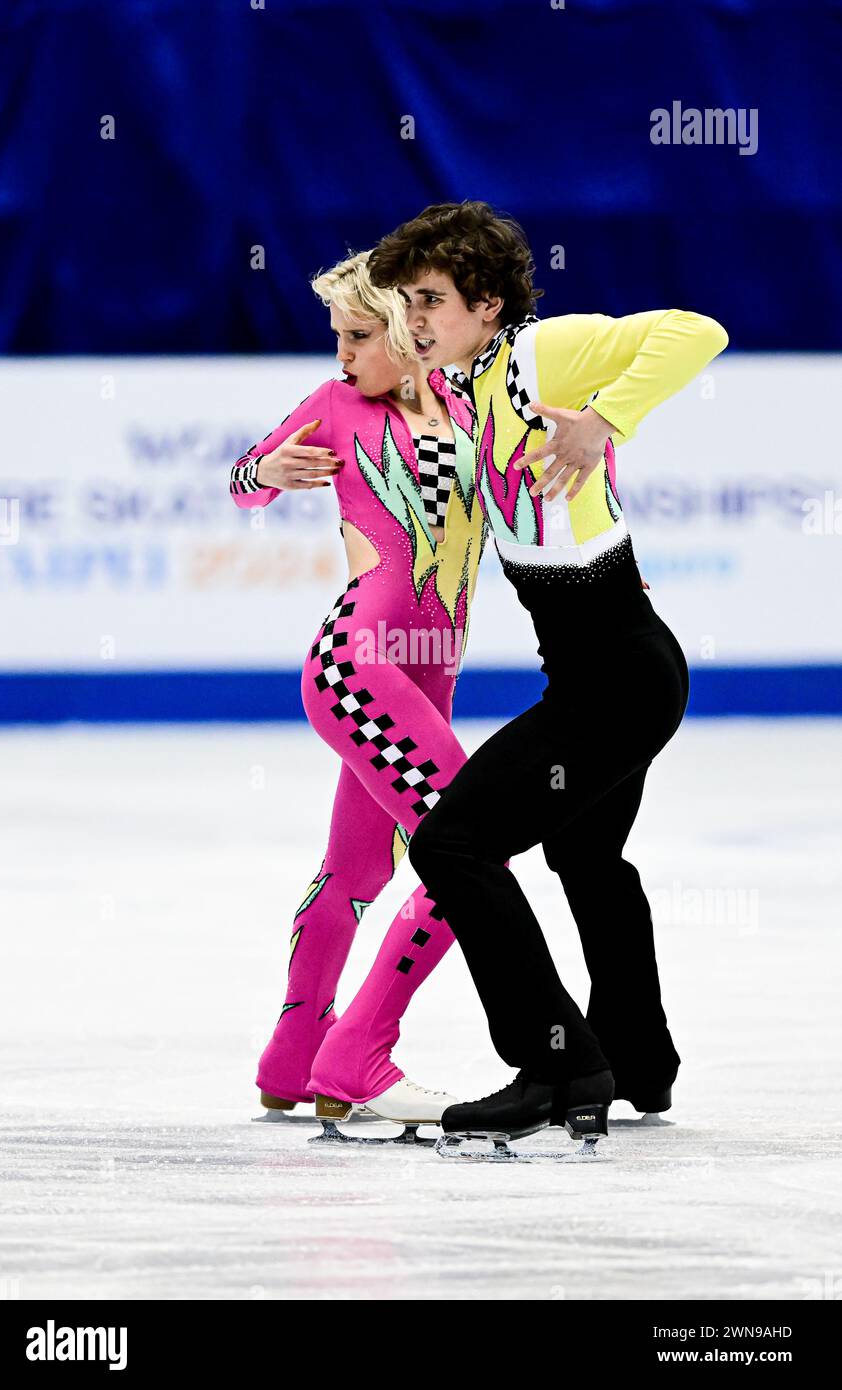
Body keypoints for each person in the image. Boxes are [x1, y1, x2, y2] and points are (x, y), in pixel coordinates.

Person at [367, 200, 729, 1146]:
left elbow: (697, 331)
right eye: (407, 302)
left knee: (451, 847)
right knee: (583, 854)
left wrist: (604, 421)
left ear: (488, 305)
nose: (415, 321)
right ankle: (639, 1059)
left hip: (618, 678)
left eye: (432, 301)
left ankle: (558, 1059)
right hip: (607, 668)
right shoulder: (461, 384)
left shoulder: (539, 354)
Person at [230, 252, 486, 1130]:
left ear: (413, 331)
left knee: (359, 867)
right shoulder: (336, 407)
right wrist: (265, 477)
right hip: (358, 666)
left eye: (358, 334)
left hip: (422, 677)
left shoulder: (469, 409)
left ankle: (294, 1054)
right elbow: (242, 478)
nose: (341, 354)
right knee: (468, 848)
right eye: (336, 335)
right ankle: (359, 1052)